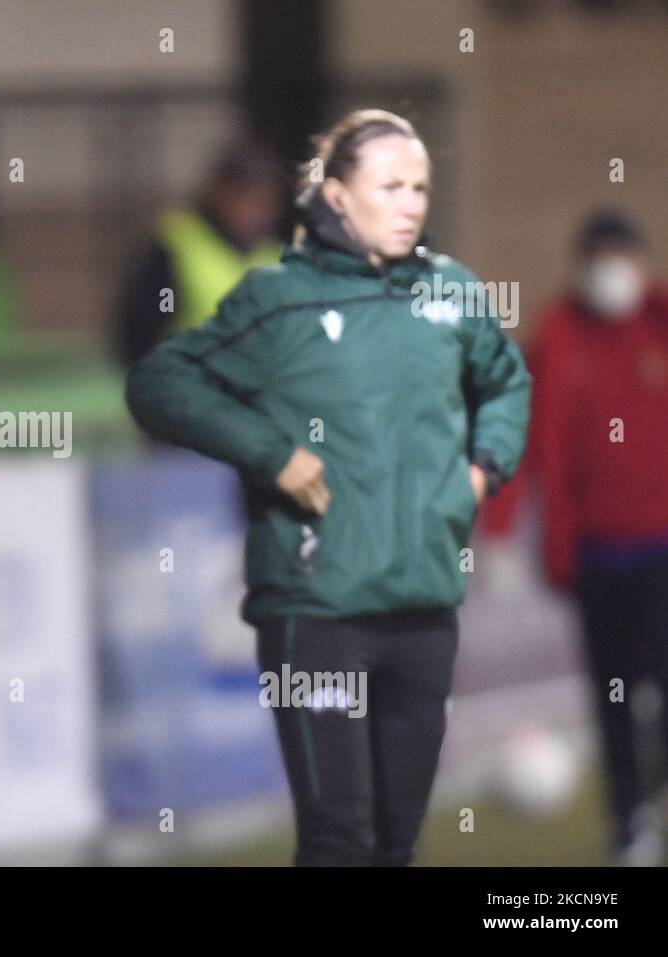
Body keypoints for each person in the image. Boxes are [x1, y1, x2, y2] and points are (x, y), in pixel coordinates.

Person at [125, 109, 531, 865]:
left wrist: (482, 470)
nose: (411, 202)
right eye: (390, 185)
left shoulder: (451, 292)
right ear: (338, 195)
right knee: (340, 837)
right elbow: (160, 381)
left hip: (425, 605)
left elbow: (507, 382)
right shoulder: (279, 298)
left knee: (397, 840)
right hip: (317, 610)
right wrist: (270, 452)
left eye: (420, 186)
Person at [523, 208, 668, 865]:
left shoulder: (659, 329)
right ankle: (629, 824)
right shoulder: (560, 339)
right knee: (611, 694)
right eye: (600, 257)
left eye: (623, 256)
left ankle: (653, 791)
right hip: (595, 555)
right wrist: (504, 534)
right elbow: (531, 438)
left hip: (662, 549)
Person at [114, 142, 285, 367]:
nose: (254, 212)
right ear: (221, 194)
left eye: (264, 202)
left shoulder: (276, 255)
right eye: (246, 199)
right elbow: (150, 317)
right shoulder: (178, 244)